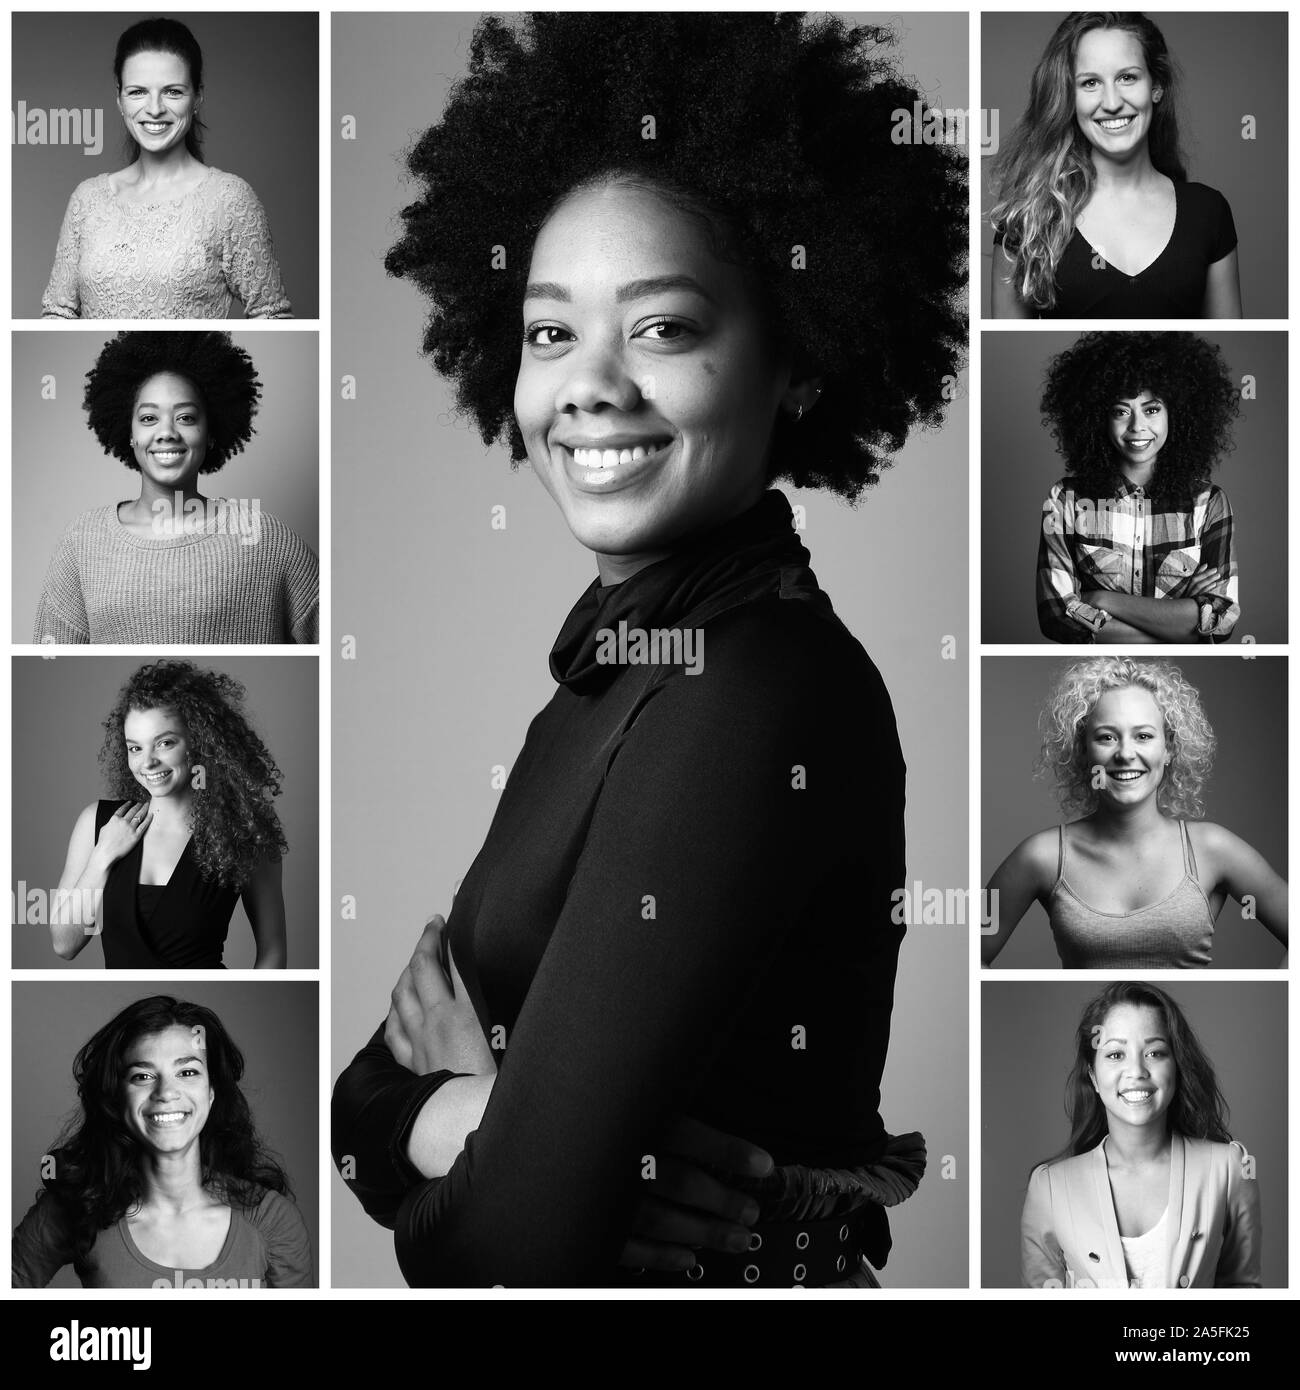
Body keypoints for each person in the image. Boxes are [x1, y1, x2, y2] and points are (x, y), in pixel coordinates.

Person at [332, 12, 965, 1287]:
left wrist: (483, 1134)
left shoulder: (757, 685)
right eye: (551, 330)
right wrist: (472, 1118)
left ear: (793, 358)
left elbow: (515, 1231)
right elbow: (354, 1108)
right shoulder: (610, 675)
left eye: (665, 328)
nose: (589, 385)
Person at [983, 658, 1287, 968]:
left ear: (1168, 748)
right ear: (1083, 750)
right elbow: (963, 958)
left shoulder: (1213, 849)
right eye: (1106, 737)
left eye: (1143, 736)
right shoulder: (1042, 856)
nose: (1126, 754)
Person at [34, 331, 318, 644]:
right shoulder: (82, 541)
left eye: (185, 417)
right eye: (148, 418)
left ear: (210, 432)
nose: (166, 432)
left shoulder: (264, 537)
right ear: (129, 433)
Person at [13, 996, 312, 1287]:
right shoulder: (78, 1206)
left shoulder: (272, 1218)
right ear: (117, 1097)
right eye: (142, 1076)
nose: (166, 1092)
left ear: (211, 1093)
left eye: (187, 1072)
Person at [990, 12, 1241, 318]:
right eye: (1091, 82)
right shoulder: (1028, 218)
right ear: (1070, 96)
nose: (1111, 102)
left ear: (1156, 86)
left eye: (1127, 77)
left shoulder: (1209, 212)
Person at [41, 18, 291, 319]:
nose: (155, 108)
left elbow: (271, 316)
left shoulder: (229, 199)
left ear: (197, 97)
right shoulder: (88, 199)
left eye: (172, 91)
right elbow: (57, 314)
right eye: (137, 92)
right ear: (119, 100)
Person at [1020, 982, 1262, 1288]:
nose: (1136, 1071)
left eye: (1155, 1052)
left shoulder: (1229, 1168)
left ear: (1177, 1067)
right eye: (1115, 1055)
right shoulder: (1049, 1188)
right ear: (1093, 1077)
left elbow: (1244, 1289)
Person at [51, 660, 290, 969]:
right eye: (135, 748)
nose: (147, 762)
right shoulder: (97, 822)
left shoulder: (245, 833)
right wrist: (104, 854)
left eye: (164, 743)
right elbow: (64, 944)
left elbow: (273, 952)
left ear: (199, 741)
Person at [1036, 331, 1239, 644]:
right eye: (1120, 411)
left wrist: (1101, 600)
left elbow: (1219, 621)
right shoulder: (1066, 500)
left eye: (1152, 409)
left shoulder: (1208, 502)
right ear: (1097, 419)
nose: (1137, 426)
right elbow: (1057, 617)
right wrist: (1177, 623)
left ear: (1179, 414)